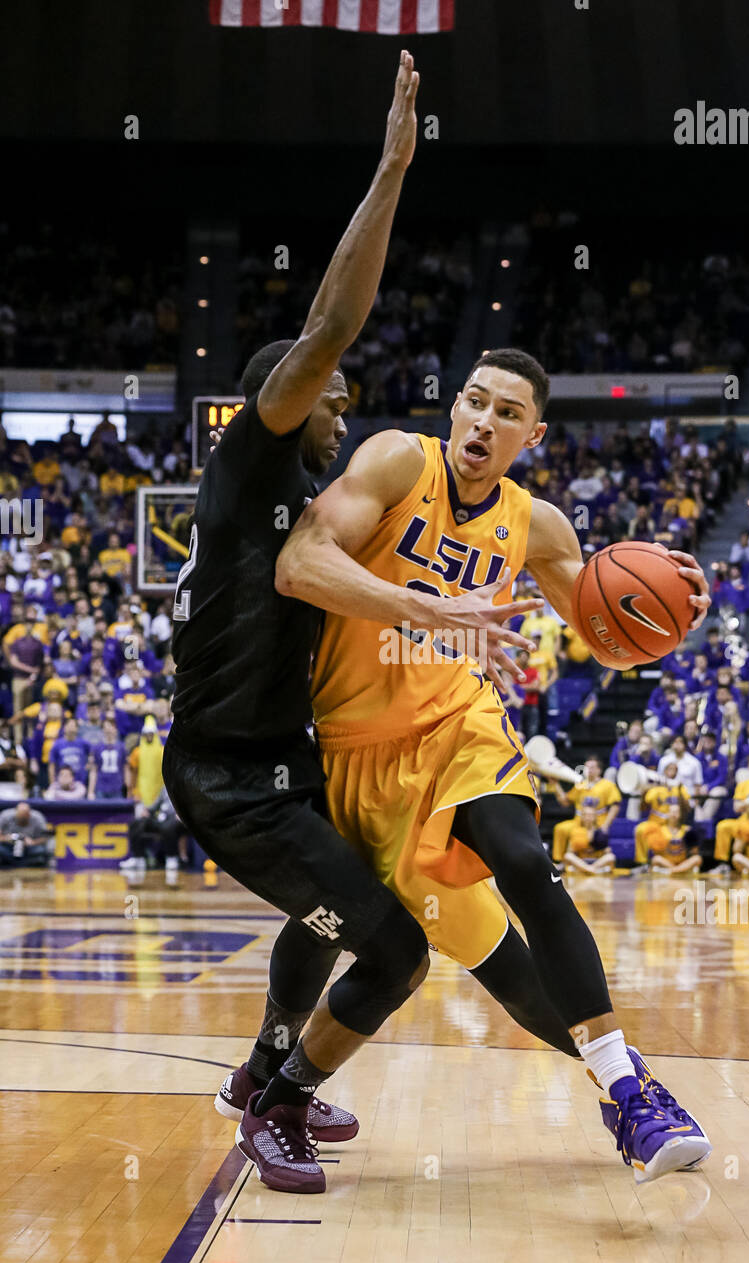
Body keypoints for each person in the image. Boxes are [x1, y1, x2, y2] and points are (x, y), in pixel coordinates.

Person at [163, 55, 538, 1195]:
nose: (341, 410)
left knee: (336, 916)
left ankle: (258, 1073)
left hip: (289, 758)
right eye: (329, 399)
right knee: (394, 947)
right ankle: (275, 1105)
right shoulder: (254, 452)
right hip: (230, 776)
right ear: (285, 401)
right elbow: (327, 326)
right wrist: (390, 168)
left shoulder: (318, 495)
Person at [277, 345, 713, 1185]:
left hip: (460, 721)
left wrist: (676, 611)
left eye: (506, 413)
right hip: (360, 747)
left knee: (523, 859)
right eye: (475, 402)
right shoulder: (398, 462)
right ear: (455, 409)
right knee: (490, 962)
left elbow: (607, 638)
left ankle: (631, 1093)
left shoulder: (538, 524)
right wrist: (427, 607)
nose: (484, 420)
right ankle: (276, 1078)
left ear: (532, 434)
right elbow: (299, 564)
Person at [119, 786, 183, 886]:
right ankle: (138, 858)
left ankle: (172, 858)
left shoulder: (186, 787)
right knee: (137, 823)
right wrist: (147, 811)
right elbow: (156, 805)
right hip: (160, 819)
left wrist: (183, 814)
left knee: (169, 827)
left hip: (176, 818)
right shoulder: (165, 788)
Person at [0, 801, 50, 866]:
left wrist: (33, 842)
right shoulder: (5, 815)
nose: (22, 819)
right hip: (8, 846)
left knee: (40, 850)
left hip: (30, 847)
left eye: (24, 818)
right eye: (20, 818)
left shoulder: (38, 817)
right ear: (16, 814)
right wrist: (7, 838)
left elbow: (45, 837)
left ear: (29, 815)